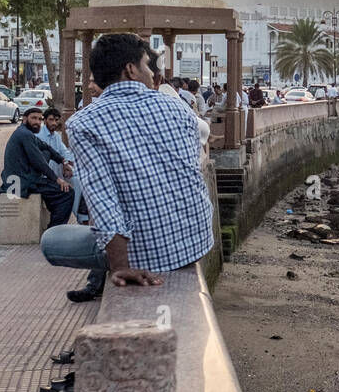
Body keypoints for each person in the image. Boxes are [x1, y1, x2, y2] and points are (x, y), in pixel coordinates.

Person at [40, 32, 213, 305]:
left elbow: (103, 199)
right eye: (147, 65)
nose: (151, 72)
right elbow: (187, 172)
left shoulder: (83, 123)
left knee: (51, 240)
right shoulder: (176, 107)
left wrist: (121, 266)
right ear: (131, 70)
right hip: (196, 240)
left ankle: (96, 279)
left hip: (145, 254)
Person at [0, 107, 73, 226]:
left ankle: (52, 224)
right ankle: (54, 230)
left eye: (39, 119)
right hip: (22, 182)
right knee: (67, 193)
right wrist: (57, 179)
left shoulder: (26, 133)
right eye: (34, 118)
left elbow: (46, 147)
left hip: (24, 178)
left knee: (47, 152)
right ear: (24, 119)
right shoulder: (25, 134)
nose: (37, 122)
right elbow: (38, 162)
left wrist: (63, 162)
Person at [38, 107, 87, 224]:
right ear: (45, 120)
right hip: (46, 175)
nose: (54, 123)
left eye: (56, 120)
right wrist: (64, 164)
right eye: (51, 120)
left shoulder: (55, 136)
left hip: (59, 172)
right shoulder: (39, 135)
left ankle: (82, 217)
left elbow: (64, 152)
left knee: (79, 181)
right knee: (68, 191)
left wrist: (67, 165)